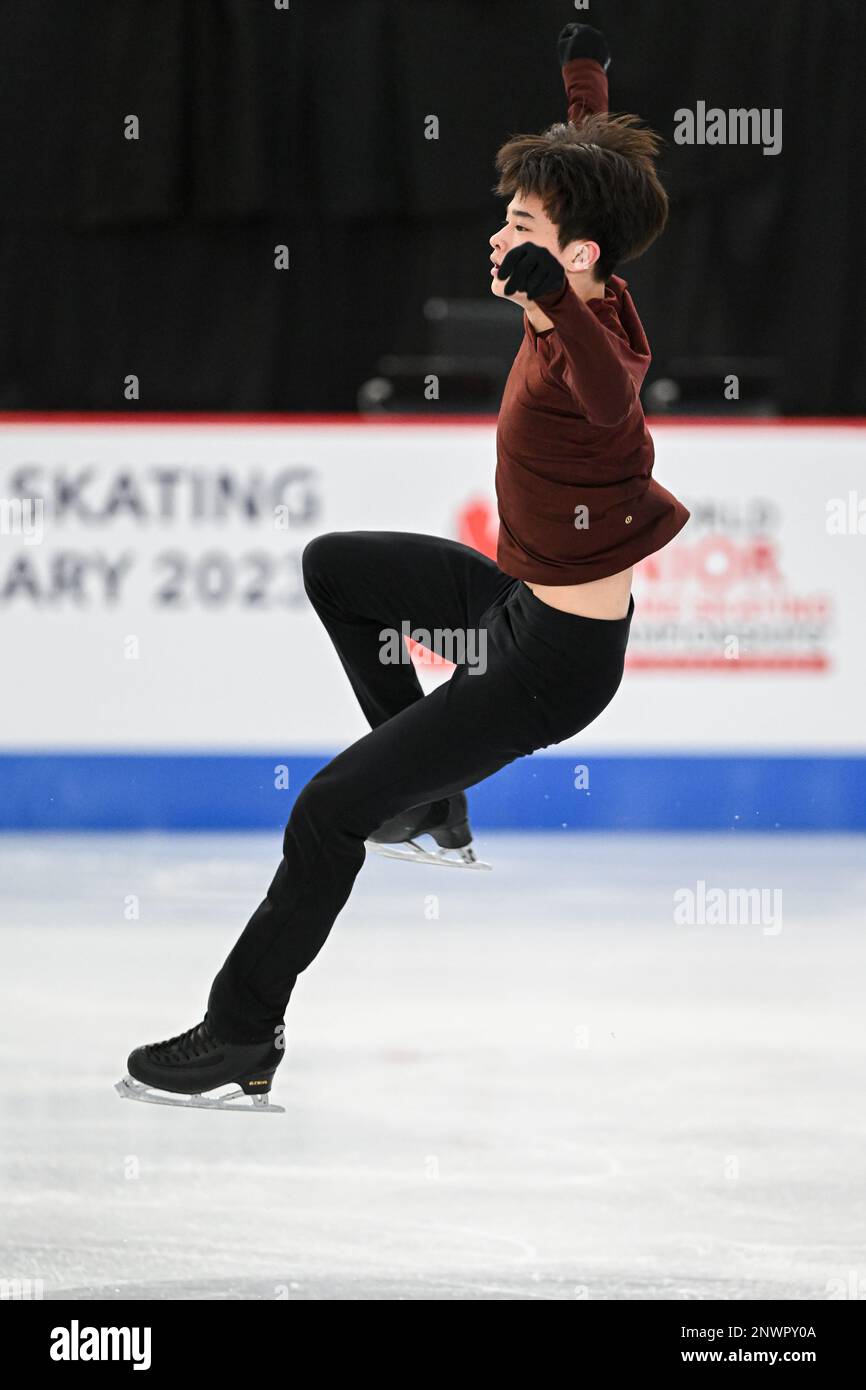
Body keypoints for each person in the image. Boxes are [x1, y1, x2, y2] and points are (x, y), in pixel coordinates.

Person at [118, 22, 689, 1110]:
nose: (496, 236)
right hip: (518, 608)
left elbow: (616, 399)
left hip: (552, 665)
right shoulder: (569, 281)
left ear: (571, 257)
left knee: (326, 810)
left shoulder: (592, 344)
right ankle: (429, 801)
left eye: (518, 227)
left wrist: (552, 300)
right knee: (340, 566)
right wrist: (585, 75)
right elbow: (591, 165)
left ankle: (242, 1029)